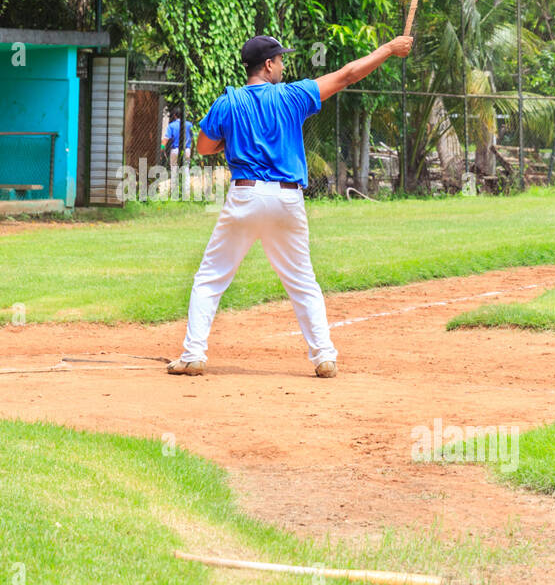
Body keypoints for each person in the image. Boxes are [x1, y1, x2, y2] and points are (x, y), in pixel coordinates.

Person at [166, 32, 413, 378]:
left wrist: (233, 141)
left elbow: (206, 147)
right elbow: (347, 74)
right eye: (280, 59)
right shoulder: (293, 95)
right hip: (287, 198)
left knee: (210, 278)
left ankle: (193, 354)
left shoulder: (229, 101)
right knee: (302, 281)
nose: (283, 64)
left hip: (245, 195)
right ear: (268, 65)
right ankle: (324, 357)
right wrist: (388, 49)